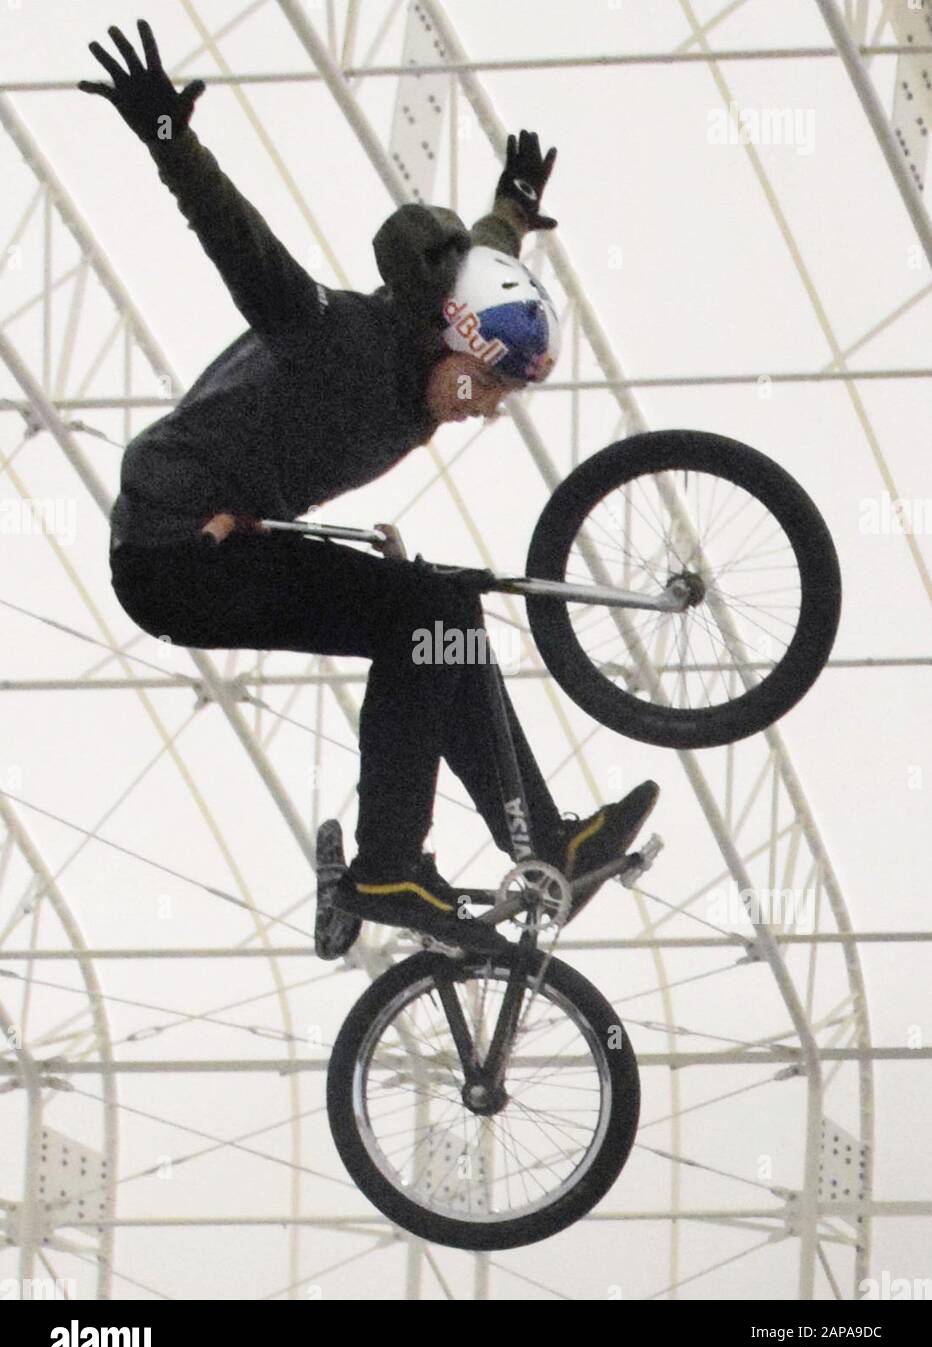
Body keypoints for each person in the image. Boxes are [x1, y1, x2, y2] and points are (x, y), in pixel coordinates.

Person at [81, 20, 658, 946]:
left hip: (228, 538)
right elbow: (236, 240)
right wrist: (168, 139)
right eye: (482, 383)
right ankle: (387, 868)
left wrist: (509, 212)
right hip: (174, 549)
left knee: (446, 614)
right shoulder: (333, 339)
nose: (483, 408)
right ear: (445, 340)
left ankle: (546, 842)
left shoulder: (432, 338)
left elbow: (462, 262)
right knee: (418, 617)